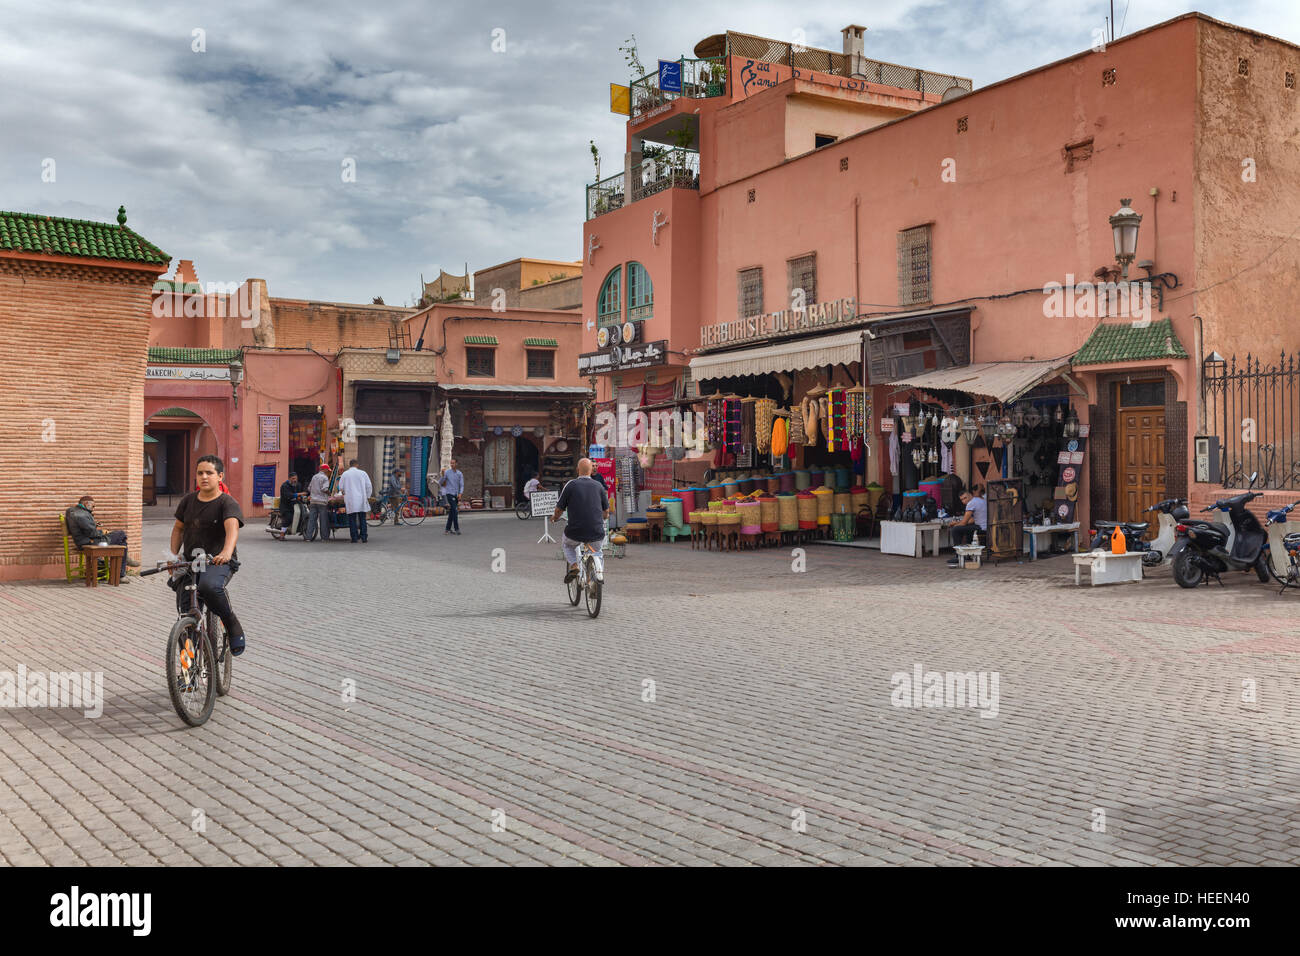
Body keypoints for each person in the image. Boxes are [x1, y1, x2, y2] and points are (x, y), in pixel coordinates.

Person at [170, 455, 247, 656]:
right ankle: (188, 673)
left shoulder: (227, 502)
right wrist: (174, 555)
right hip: (190, 563)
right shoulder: (187, 501)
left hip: (218, 562)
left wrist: (226, 553)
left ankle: (231, 623)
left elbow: (232, 530)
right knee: (185, 616)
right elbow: (178, 528)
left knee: (209, 587)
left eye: (209, 473)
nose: (204, 477)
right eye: (200, 473)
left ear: (219, 476)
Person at [553, 458, 610, 583]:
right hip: (596, 531)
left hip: (575, 532)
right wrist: (602, 518)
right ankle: (596, 579)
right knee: (597, 552)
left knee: (567, 545)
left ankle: (574, 565)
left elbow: (559, 509)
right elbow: (606, 513)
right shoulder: (599, 486)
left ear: (577, 470)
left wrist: (554, 518)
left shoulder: (570, 485)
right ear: (591, 471)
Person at [64, 495, 140, 582]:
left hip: (83, 541)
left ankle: (122, 571)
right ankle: (122, 571)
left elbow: (83, 527)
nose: (93, 508)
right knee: (121, 534)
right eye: (93, 506)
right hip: (91, 543)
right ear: (86, 503)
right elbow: (92, 533)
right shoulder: (82, 515)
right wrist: (103, 532)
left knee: (122, 542)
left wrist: (93, 524)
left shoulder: (71, 511)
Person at [947, 484, 988, 567]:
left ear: (970, 495)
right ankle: (967, 554)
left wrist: (954, 524)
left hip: (981, 527)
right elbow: (972, 520)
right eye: (962, 500)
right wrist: (958, 523)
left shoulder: (971, 503)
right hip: (985, 526)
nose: (964, 501)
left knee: (956, 530)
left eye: (965, 498)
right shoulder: (980, 500)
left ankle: (958, 555)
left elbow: (964, 522)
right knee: (967, 529)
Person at [339, 459, 373, 543]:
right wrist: (368, 496)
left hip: (351, 500)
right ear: (357, 465)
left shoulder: (345, 474)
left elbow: (341, 488)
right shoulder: (363, 473)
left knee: (352, 519)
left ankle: (354, 538)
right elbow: (369, 486)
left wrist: (344, 493)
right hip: (361, 499)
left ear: (350, 465)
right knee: (362, 518)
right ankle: (364, 537)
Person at [305, 463, 333, 542]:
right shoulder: (325, 478)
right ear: (324, 469)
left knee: (312, 520)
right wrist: (329, 493)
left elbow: (309, 488)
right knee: (323, 520)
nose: (328, 472)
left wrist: (314, 493)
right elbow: (324, 489)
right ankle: (324, 538)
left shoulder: (314, 477)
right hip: (322, 502)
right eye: (327, 470)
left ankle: (308, 537)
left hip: (313, 501)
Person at [439, 458, 464, 535]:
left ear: (456, 464)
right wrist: (443, 475)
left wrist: (460, 493)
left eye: (453, 463)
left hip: (456, 494)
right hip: (449, 493)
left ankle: (447, 529)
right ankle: (457, 529)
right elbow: (441, 482)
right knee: (455, 510)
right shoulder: (447, 472)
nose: (452, 464)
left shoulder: (459, 473)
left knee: (452, 512)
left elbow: (462, 485)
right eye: (451, 463)